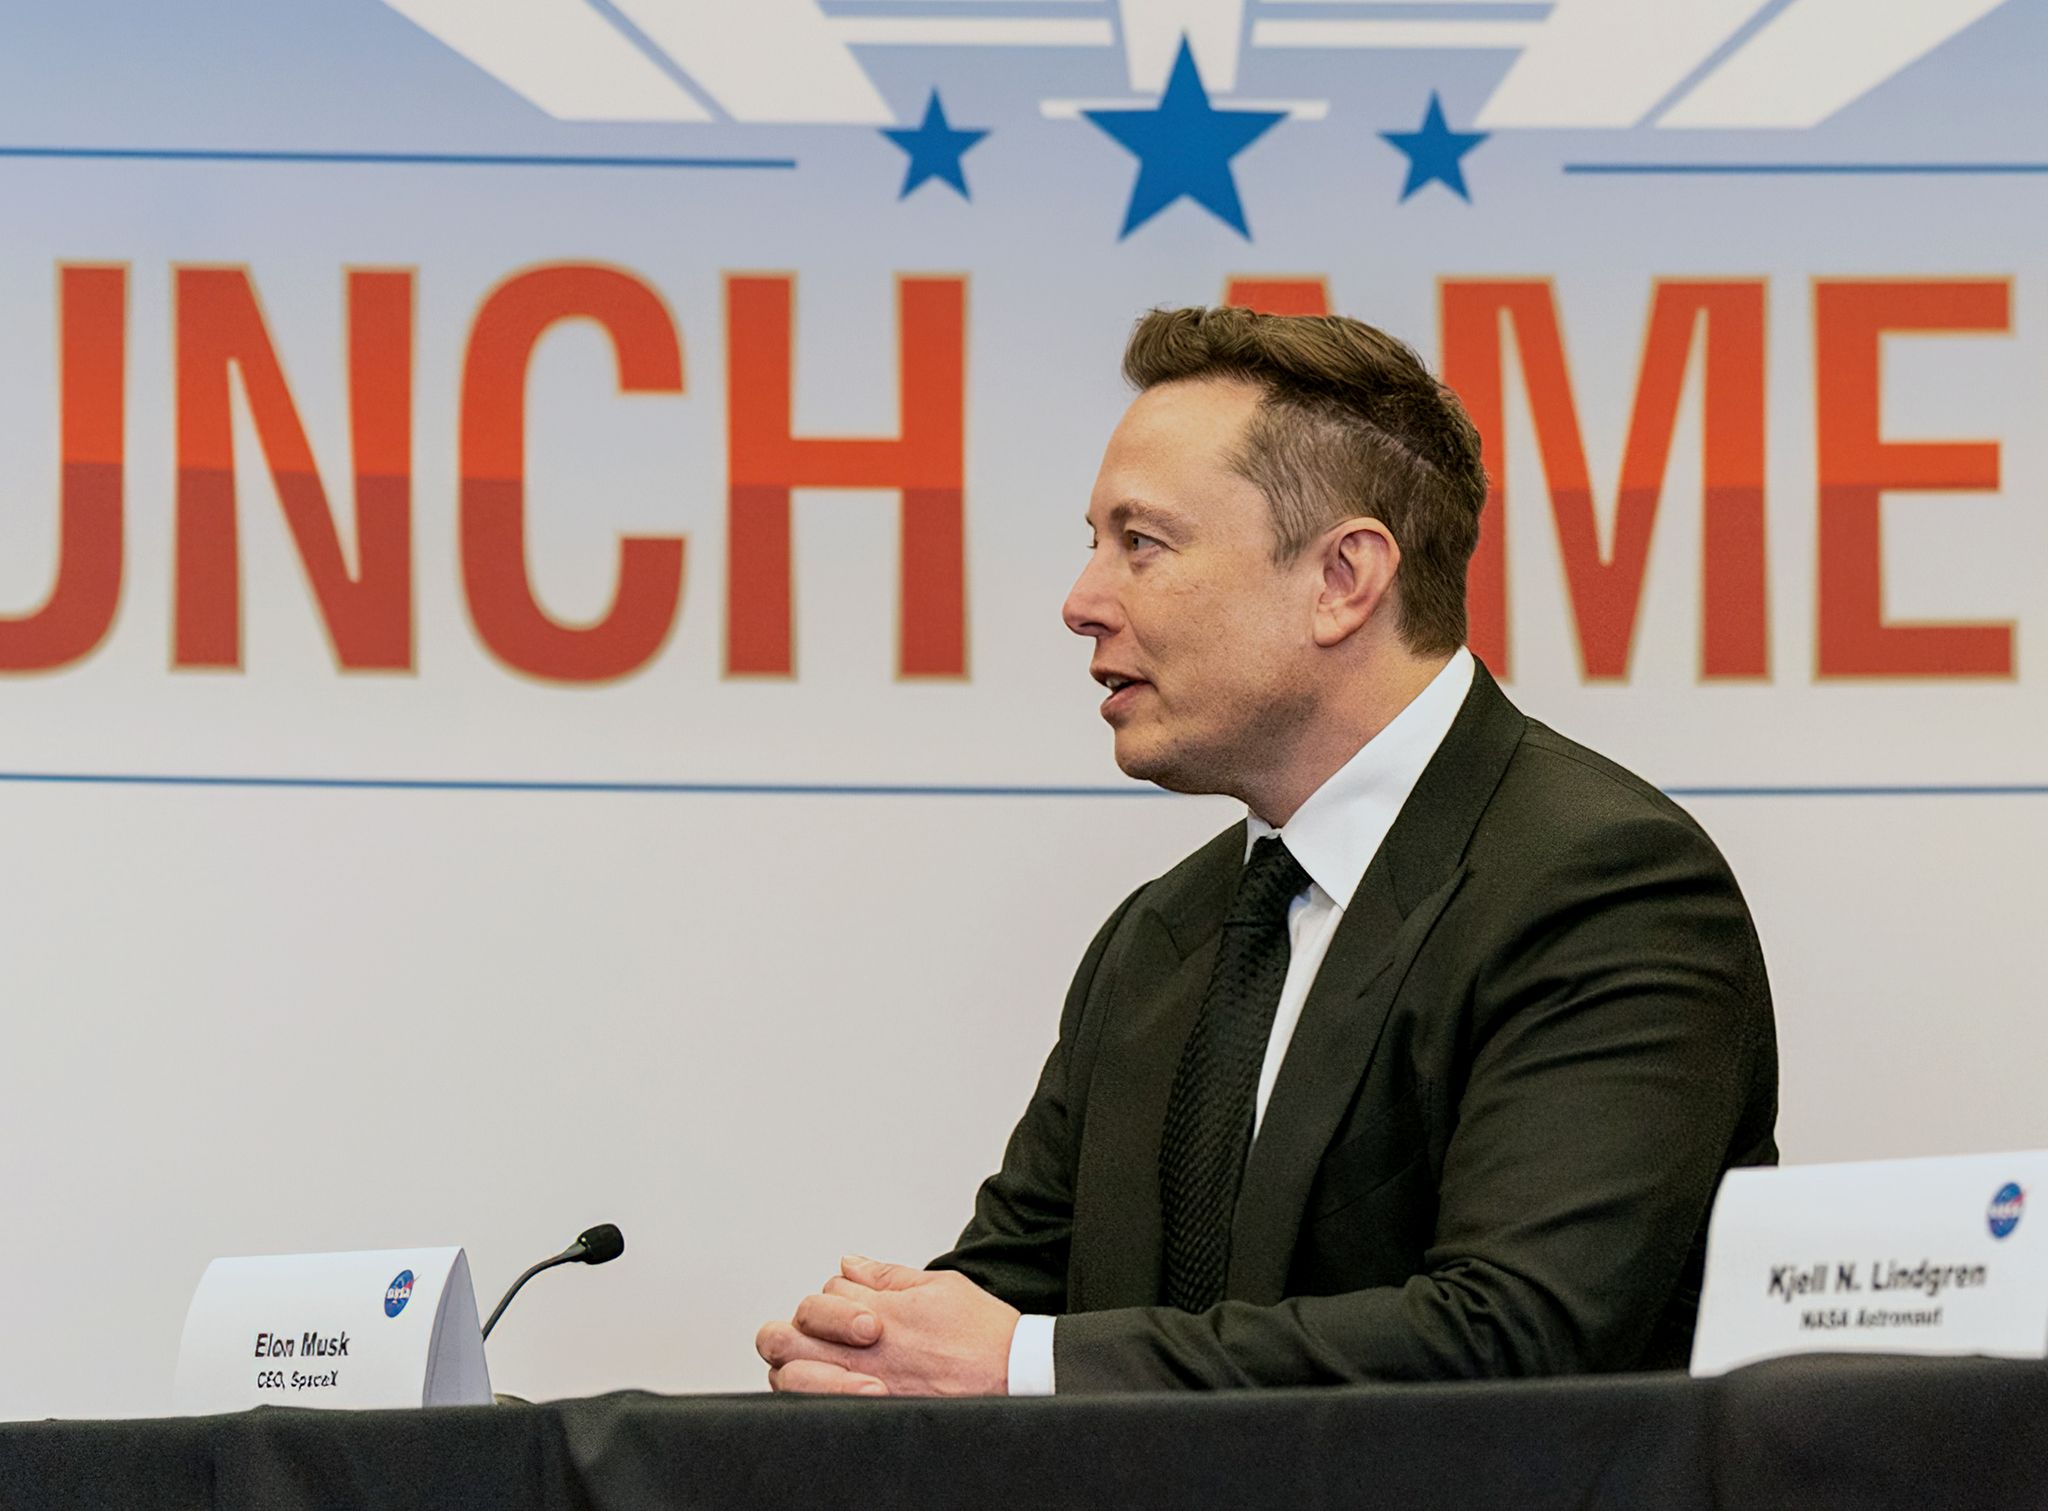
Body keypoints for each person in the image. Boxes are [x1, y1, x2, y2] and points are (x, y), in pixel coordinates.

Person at [755, 306, 1778, 1395]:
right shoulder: (1162, 932)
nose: (1080, 602)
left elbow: (1513, 1335)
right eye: (1092, 543)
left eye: (1141, 543)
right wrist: (873, 1353)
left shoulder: (1603, 887)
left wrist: (1018, 1360)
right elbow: (1012, 1295)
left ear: (1342, 578)